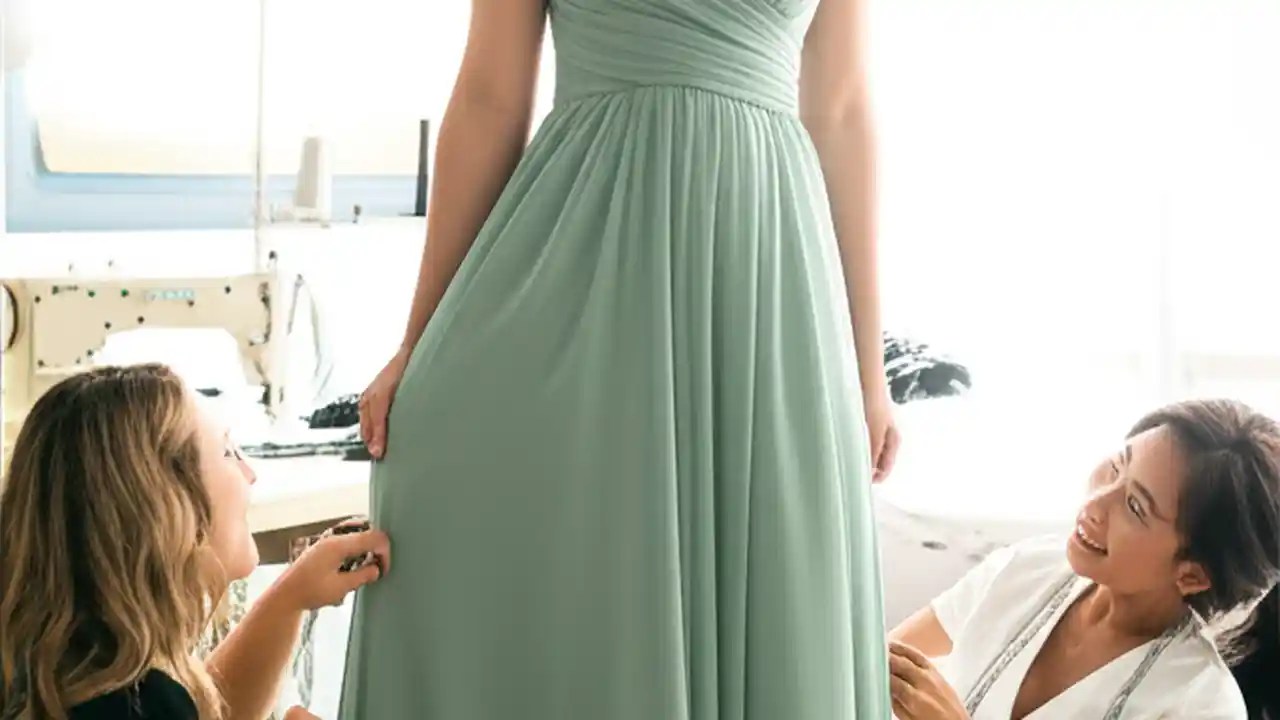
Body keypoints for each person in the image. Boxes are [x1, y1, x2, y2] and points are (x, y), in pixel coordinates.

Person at [343, 0, 898, 716]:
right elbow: (489, 97)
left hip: (769, 268)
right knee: (588, 556)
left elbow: (843, 108)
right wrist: (416, 346)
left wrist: (868, 372)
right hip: (588, 245)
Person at [0, 364, 392, 720]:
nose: (249, 472)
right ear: (165, 508)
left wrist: (291, 598)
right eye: (227, 452)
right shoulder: (133, 706)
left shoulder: (66, 671)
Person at [888, 399, 1280, 719]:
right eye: (1116, 466)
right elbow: (868, 663)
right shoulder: (1023, 568)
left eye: (1134, 506)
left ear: (1193, 575)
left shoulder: (1200, 705)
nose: (1095, 504)